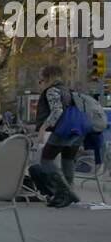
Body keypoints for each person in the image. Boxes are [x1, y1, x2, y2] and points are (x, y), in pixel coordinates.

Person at [34, 65, 83, 208]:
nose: (40, 81)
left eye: (41, 78)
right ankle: (68, 193)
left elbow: (57, 111)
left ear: (49, 77)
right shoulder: (67, 90)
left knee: (46, 160)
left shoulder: (52, 90)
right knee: (68, 162)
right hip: (77, 131)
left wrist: (43, 127)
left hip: (62, 131)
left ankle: (66, 193)